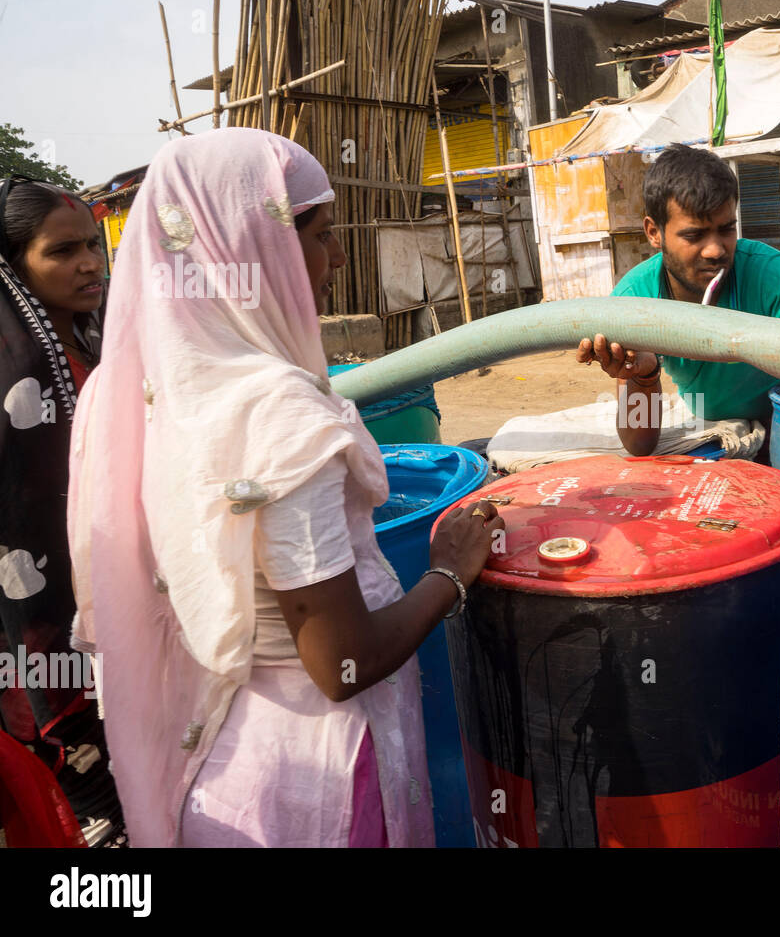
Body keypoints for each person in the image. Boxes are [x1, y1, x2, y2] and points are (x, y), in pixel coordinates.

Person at [66, 128, 501, 847]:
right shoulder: (276, 413)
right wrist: (450, 573)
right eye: (321, 235)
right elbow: (340, 662)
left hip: (211, 759)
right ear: (250, 248)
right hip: (312, 785)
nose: (332, 259)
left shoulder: (128, 391)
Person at [576, 143, 780, 508]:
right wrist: (642, 377)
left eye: (726, 230)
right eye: (694, 236)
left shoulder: (774, 274)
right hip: (713, 432)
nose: (715, 250)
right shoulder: (633, 299)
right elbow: (639, 444)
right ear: (654, 232)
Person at [0, 175, 124, 845]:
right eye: (62, 251)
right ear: (14, 265)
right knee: (91, 814)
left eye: (92, 247)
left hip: (127, 606)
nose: (88, 263)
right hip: (42, 628)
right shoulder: (7, 375)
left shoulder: (102, 342)